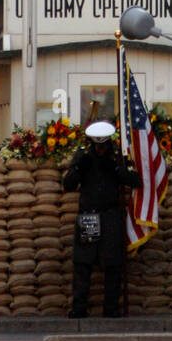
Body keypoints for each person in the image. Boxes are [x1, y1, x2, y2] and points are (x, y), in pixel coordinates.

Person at [62, 121, 140, 318]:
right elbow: (68, 184)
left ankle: (111, 308)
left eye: (104, 146)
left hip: (110, 215)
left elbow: (135, 180)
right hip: (88, 215)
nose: (101, 150)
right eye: (98, 146)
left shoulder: (118, 155)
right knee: (83, 262)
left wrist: (116, 169)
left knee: (113, 263)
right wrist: (78, 169)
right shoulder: (83, 156)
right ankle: (79, 307)